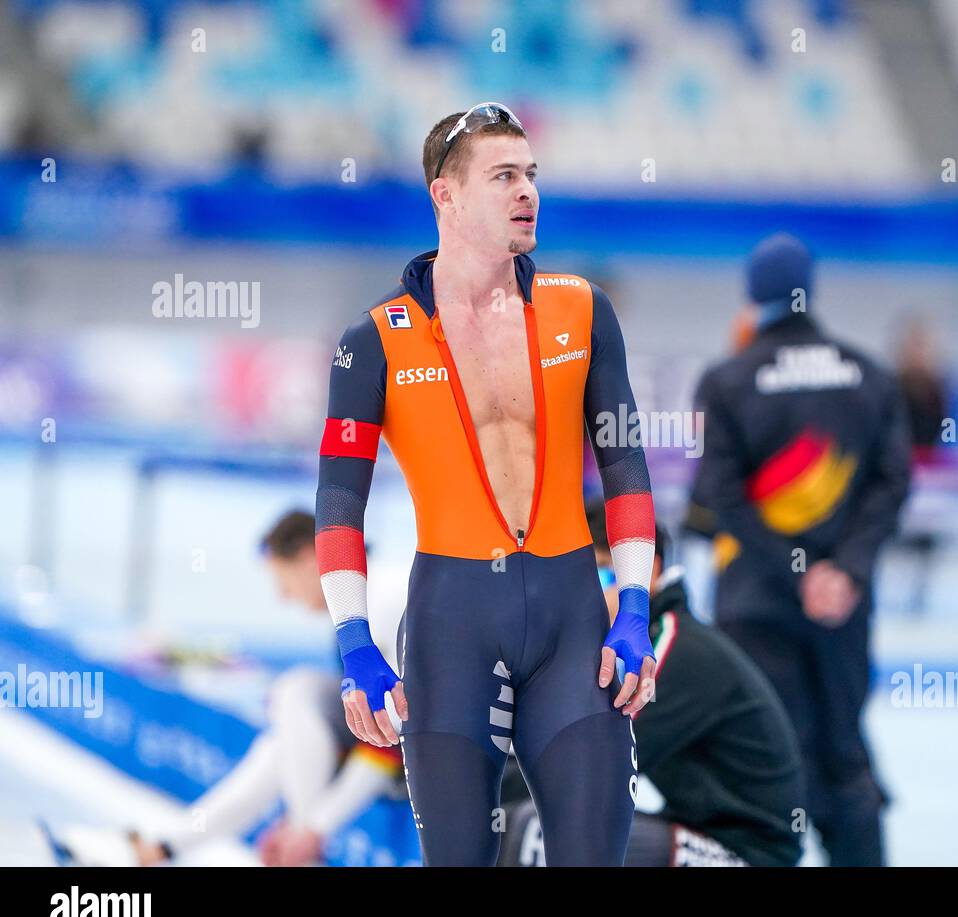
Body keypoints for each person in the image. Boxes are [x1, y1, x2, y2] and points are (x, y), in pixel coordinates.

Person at [315, 103, 657, 866]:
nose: (526, 192)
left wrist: (634, 606)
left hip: (575, 621)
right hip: (451, 630)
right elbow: (340, 502)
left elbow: (626, 469)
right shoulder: (372, 342)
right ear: (447, 195)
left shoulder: (581, 309)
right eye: (504, 176)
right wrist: (354, 643)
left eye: (531, 175)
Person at [688, 233, 911, 866]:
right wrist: (843, 571)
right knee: (845, 753)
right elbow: (893, 485)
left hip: (757, 606)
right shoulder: (871, 376)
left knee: (764, 765)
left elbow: (720, 500)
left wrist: (797, 572)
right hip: (842, 608)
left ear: (751, 296)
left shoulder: (730, 380)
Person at [47, 510, 405, 867]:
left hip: (424, 750)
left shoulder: (384, 597)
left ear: (307, 559)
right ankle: (162, 848)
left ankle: (298, 841)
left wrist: (316, 827)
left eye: (282, 581)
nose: (283, 596)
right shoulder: (366, 594)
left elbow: (395, 730)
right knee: (281, 738)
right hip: (394, 743)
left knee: (294, 693)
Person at [498, 502, 805, 867]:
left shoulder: (674, 649)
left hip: (750, 855)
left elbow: (588, 770)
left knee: (530, 829)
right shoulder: (624, 647)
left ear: (646, 572)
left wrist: (459, 771)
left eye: (597, 576)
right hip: (692, 828)